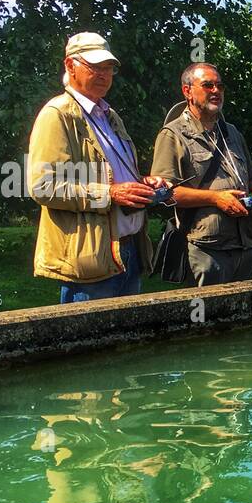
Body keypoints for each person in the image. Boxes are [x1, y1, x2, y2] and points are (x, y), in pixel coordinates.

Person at [28, 33, 163, 302]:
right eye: (95, 67)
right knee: (91, 341)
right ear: (70, 65)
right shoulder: (57, 114)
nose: (104, 75)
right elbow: (42, 186)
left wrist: (142, 183)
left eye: (108, 68)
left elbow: (116, 173)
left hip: (129, 250)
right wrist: (110, 194)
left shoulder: (110, 116)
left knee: (127, 340)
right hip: (90, 259)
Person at [150, 63, 252, 286]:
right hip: (206, 251)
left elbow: (250, 180)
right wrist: (215, 198)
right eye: (207, 85)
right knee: (207, 317)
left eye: (220, 86)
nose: (216, 91)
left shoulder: (232, 133)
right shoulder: (173, 135)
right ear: (187, 91)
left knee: (245, 318)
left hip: (246, 245)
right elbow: (164, 193)